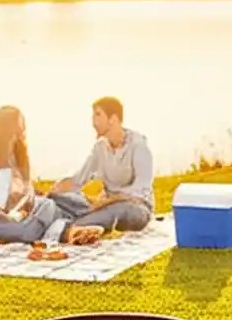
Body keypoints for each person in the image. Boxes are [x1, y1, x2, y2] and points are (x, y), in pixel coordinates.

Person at [0, 106, 104, 245]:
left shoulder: (15, 154)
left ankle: (66, 227)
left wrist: (24, 207)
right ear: (7, 126)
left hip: (11, 214)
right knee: (28, 231)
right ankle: (65, 229)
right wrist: (5, 215)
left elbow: (23, 194)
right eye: (19, 124)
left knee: (48, 205)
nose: (23, 129)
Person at [48, 96, 155, 241]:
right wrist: (55, 190)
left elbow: (141, 191)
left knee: (117, 210)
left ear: (113, 119)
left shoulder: (138, 146)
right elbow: (80, 179)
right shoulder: (100, 147)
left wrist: (108, 201)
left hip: (136, 208)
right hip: (105, 205)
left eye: (98, 115)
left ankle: (67, 229)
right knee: (59, 199)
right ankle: (59, 221)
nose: (93, 121)